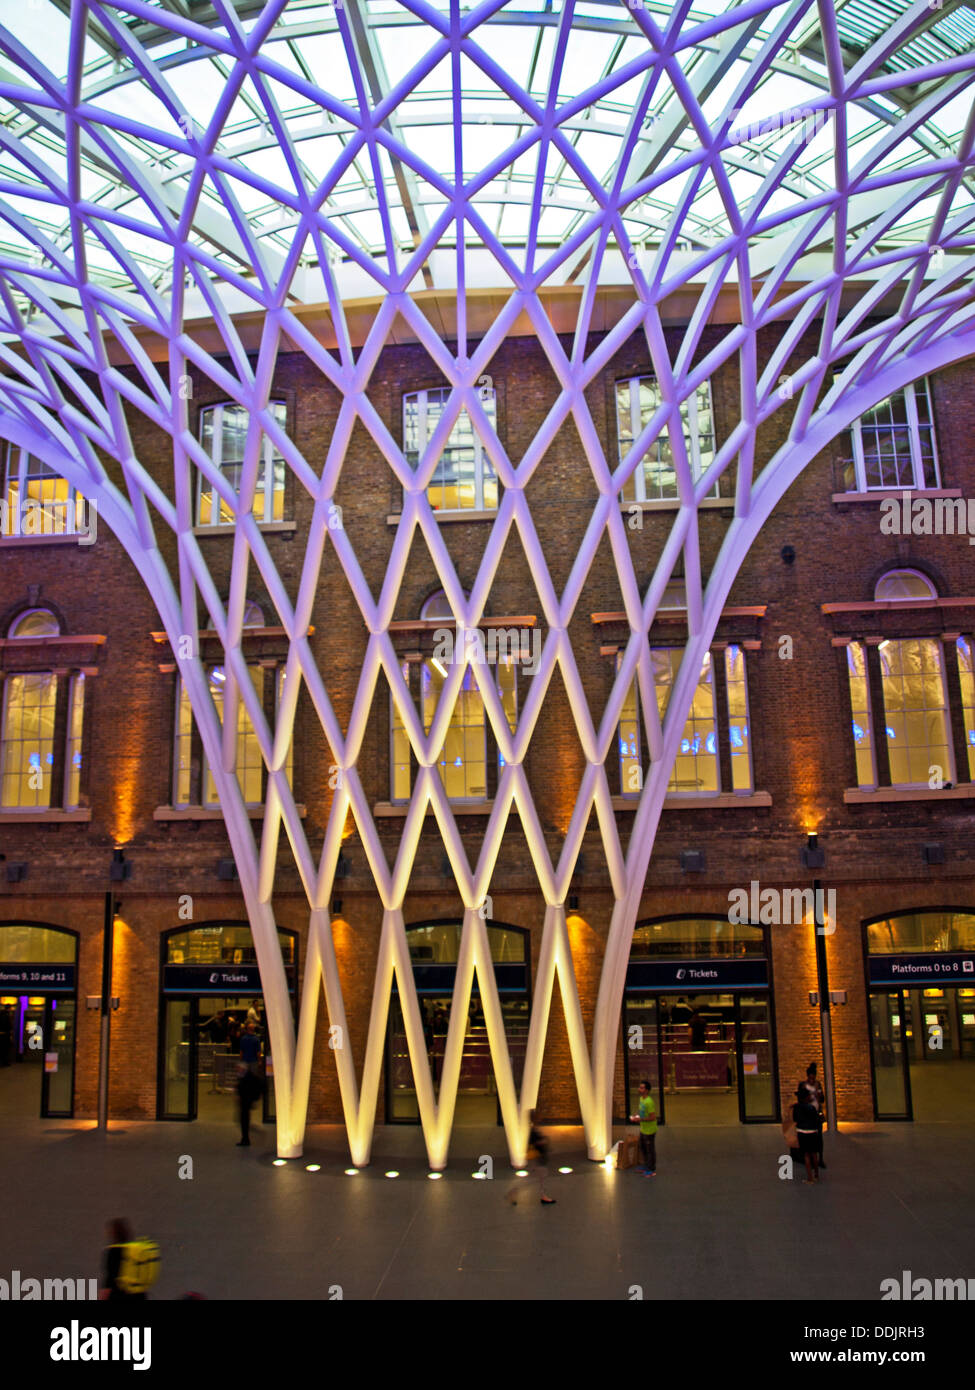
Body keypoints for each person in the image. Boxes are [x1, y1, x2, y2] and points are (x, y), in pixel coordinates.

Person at [506, 1111, 555, 1205]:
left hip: (537, 1159)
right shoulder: (533, 1129)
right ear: (534, 1118)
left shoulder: (533, 1128)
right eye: (537, 1116)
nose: (539, 1118)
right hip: (537, 1159)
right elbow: (534, 1142)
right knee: (536, 1179)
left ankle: (543, 1196)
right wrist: (544, 1141)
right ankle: (515, 1192)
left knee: (539, 1179)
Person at [100, 1219, 146, 1301]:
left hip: (119, 1295)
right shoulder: (137, 1250)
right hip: (138, 1295)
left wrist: (103, 1296)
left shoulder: (114, 1251)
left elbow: (110, 1279)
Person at [793, 1086, 821, 1184]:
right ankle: (816, 1175)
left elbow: (795, 1119)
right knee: (814, 1154)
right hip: (813, 1132)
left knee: (806, 1155)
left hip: (802, 1132)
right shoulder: (811, 1107)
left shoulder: (796, 1108)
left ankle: (810, 1178)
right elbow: (816, 1119)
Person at [802, 1063, 827, 1171]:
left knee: (819, 1137)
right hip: (808, 1115)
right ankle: (810, 1159)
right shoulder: (803, 1086)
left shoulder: (818, 1085)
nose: (812, 1080)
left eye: (814, 1078)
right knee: (809, 1138)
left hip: (817, 1114)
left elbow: (822, 1100)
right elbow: (801, 1099)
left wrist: (819, 1095)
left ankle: (820, 1158)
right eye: (810, 1078)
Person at [630, 1080, 658, 1176]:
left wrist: (640, 1119)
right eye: (639, 1087)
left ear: (647, 1090)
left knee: (650, 1150)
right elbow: (641, 1111)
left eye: (642, 1088)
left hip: (650, 1130)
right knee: (643, 1148)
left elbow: (652, 1117)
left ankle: (651, 1169)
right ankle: (646, 1165)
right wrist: (637, 1116)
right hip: (643, 1129)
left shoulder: (649, 1102)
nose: (639, 1089)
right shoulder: (641, 1099)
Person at [236, 1064, 264, 1146]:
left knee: (244, 1120)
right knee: (244, 1120)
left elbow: (246, 1088)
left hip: (246, 1101)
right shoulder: (244, 1076)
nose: (237, 1070)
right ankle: (245, 1138)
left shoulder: (248, 1077)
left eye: (238, 1068)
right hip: (245, 1101)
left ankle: (245, 1139)